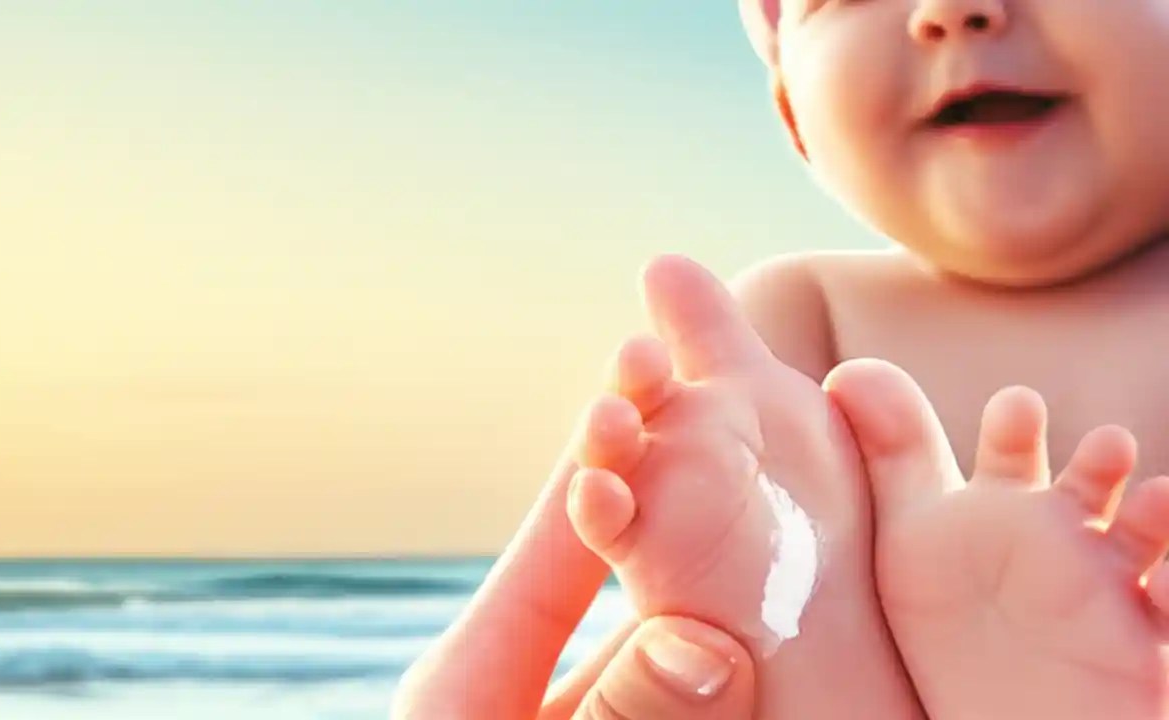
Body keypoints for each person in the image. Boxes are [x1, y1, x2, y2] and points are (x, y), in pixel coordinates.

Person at [395, 0, 1169, 715]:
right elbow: (674, 650)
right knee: (766, 620)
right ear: (793, 114)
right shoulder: (797, 318)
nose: (950, 11)